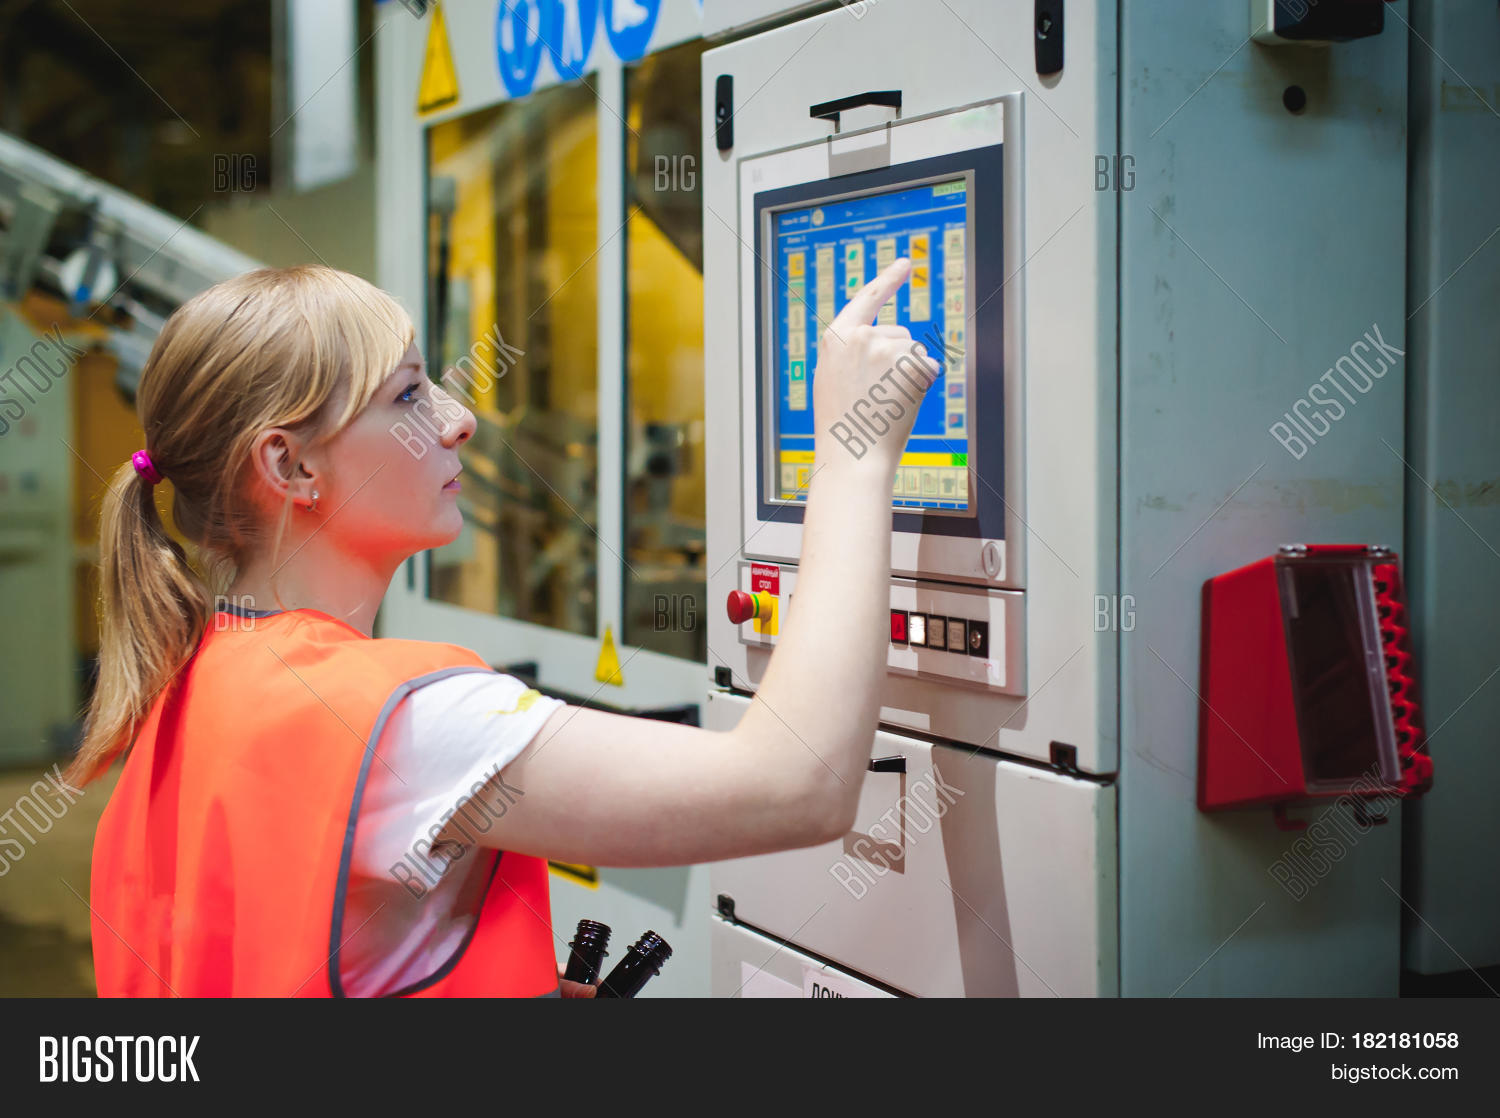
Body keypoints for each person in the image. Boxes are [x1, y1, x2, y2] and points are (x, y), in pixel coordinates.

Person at [72, 259, 937, 997]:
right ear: (290, 464)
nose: (458, 418)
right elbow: (800, 785)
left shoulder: (188, 677)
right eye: (408, 394)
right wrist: (853, 454)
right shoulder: (406, 722)